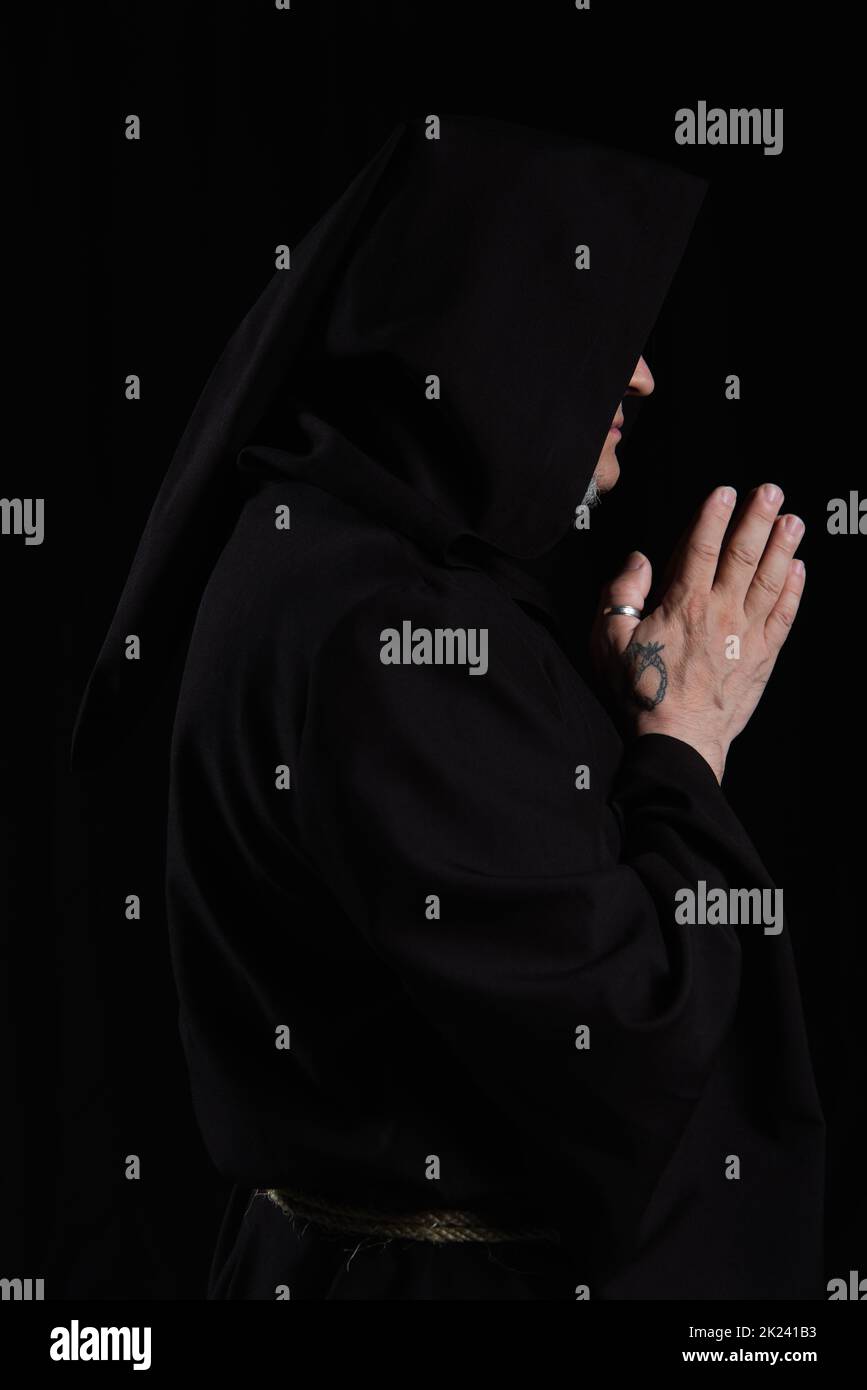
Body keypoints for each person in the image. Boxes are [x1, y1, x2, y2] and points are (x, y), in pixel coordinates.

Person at [71, 113, 824, 1300]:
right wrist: (692, 735)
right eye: (602, 327)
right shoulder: (392, 635)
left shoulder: (313, 547)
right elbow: (630, 1027)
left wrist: (604, 730)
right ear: (490, 321)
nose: (638, 372)